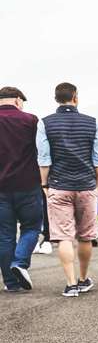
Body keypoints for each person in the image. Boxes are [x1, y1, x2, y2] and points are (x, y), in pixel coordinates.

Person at [36, 82, 98, 297]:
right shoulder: (92, 122)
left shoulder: (45, 123)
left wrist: (44, 184)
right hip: (86, 185)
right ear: (75, 97)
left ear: (56, 98)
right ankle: (83, 279)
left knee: (64, 237)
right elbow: (97, 159)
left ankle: (71, 284)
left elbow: (44, 158)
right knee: (85, 236)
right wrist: (96, 184)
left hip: (59, 185)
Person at [0, 86, 44, 293]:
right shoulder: (31, 120)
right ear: (18, 100)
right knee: (32, 227)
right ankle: (19, 262)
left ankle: (11, 283)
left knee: (5, 235)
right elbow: (41, 150)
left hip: (1, 189)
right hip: (28, 184)